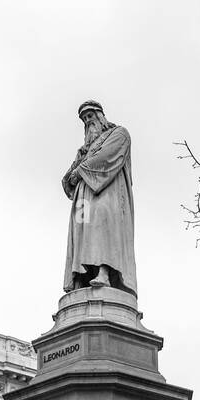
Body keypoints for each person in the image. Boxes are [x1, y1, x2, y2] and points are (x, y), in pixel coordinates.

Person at [61, 100, 137, 294]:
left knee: (103, 227)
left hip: (106, 191)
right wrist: (74, 172)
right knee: (80, 234)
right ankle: (80, 277)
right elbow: (68, 177)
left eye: (90, 116)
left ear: (100, 115)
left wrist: (80, 171)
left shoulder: (119, 133)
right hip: (82, 200)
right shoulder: (83, 150)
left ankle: (104, 272)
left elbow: (107, 157)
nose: (88, 121)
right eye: (84, 119)